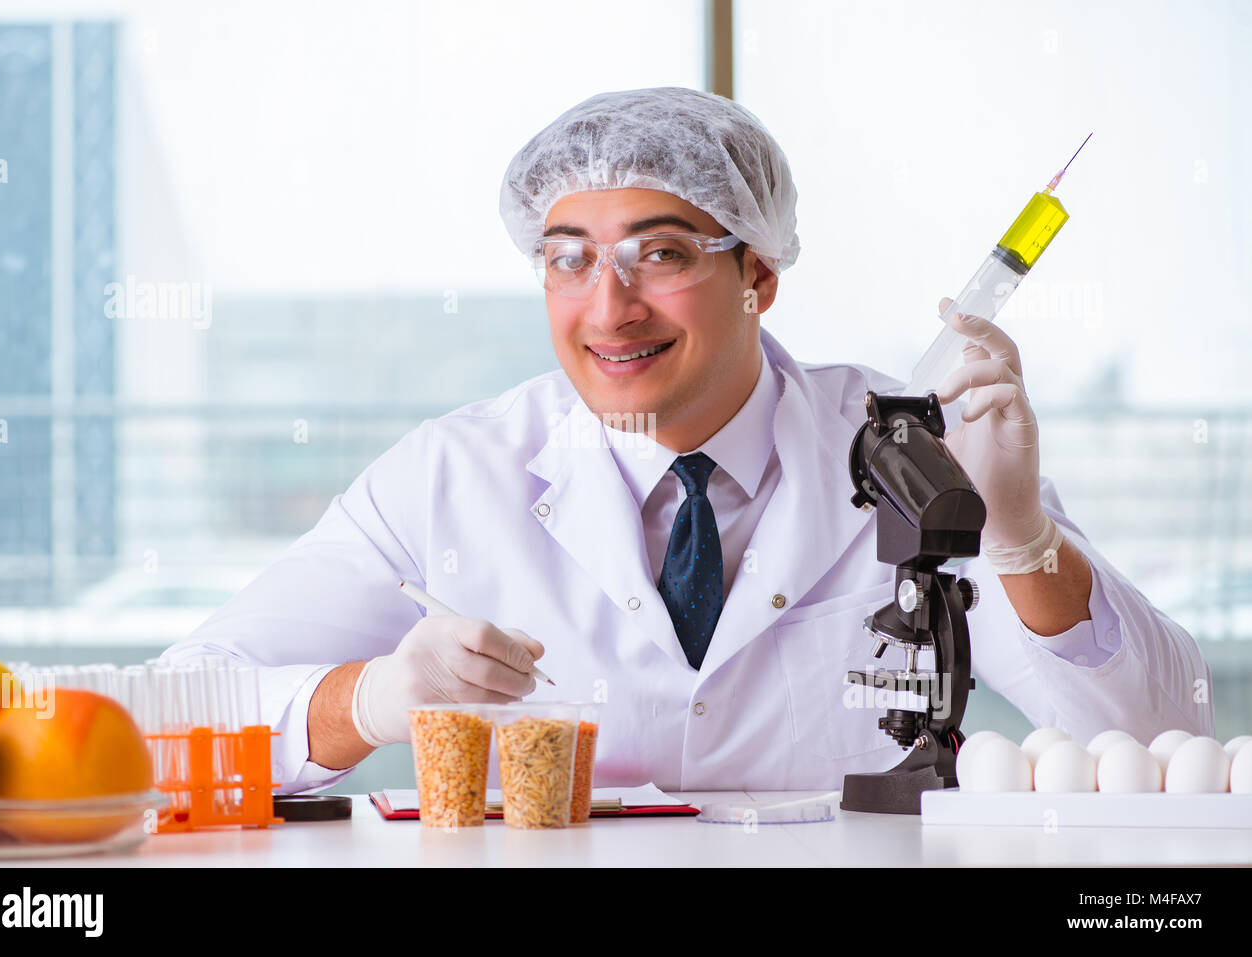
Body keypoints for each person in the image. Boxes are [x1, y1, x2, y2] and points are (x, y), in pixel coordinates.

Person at [162, 87, 1213, 792]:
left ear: (756, 274)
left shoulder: (909, 447)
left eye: (658, 255)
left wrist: (1021, 537)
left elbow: (1166, 728)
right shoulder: (451, 477)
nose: (607, 308)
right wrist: (370, 699)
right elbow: (183, 707)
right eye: (567, 260)